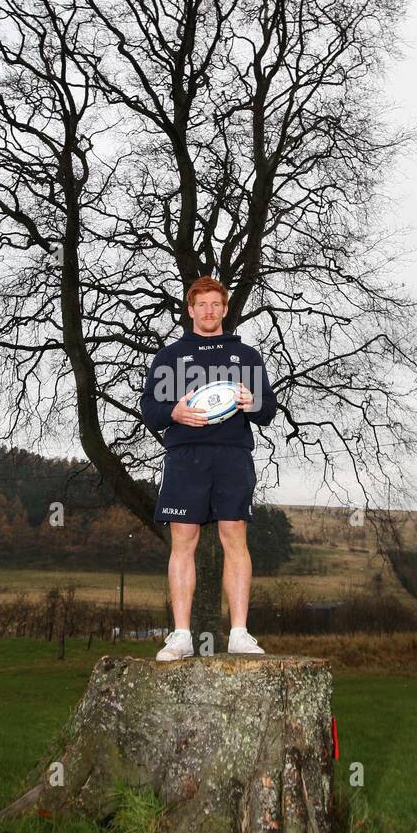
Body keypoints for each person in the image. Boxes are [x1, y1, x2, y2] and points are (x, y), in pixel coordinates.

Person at [139, 277, 278, 660]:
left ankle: (238, 634)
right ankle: (181, 636)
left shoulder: (247, 356)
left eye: (216, 304)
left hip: (232, 454)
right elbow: (149, 410)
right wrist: (173, 411)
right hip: (185, 456)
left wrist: (253, 402)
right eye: (202, 304)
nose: (209, 311)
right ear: (190, 309)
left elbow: (268, 410)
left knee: (235, 537)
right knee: (183, 540)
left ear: (225, 308)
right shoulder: (169, 357)